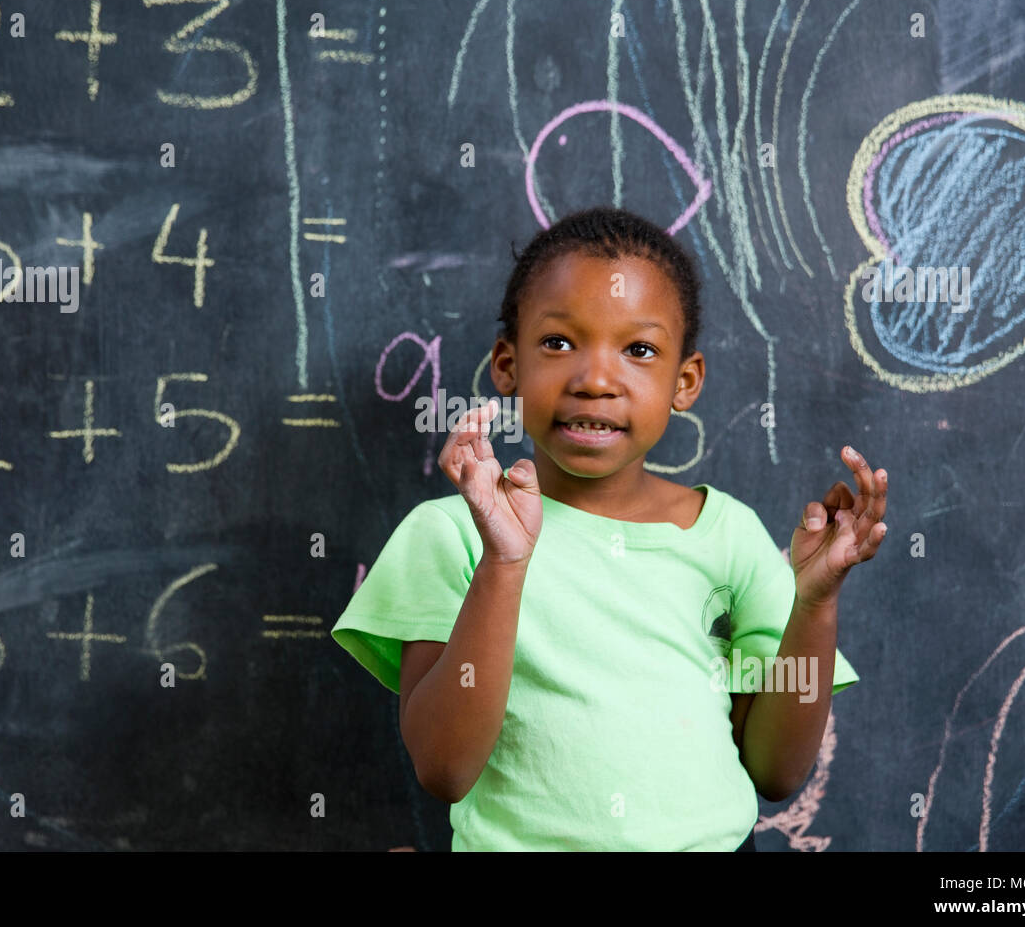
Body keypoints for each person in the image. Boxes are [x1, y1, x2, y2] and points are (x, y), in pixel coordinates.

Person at [332, 205, 888, 850]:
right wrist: (505, 567)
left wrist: (814, 603)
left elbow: (775, 772)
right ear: (507, 366)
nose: (596, 379)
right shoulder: (453, 535)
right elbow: (444, 770)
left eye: (639, 350)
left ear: (684, 382)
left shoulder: (727, 535)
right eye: (559, 342)